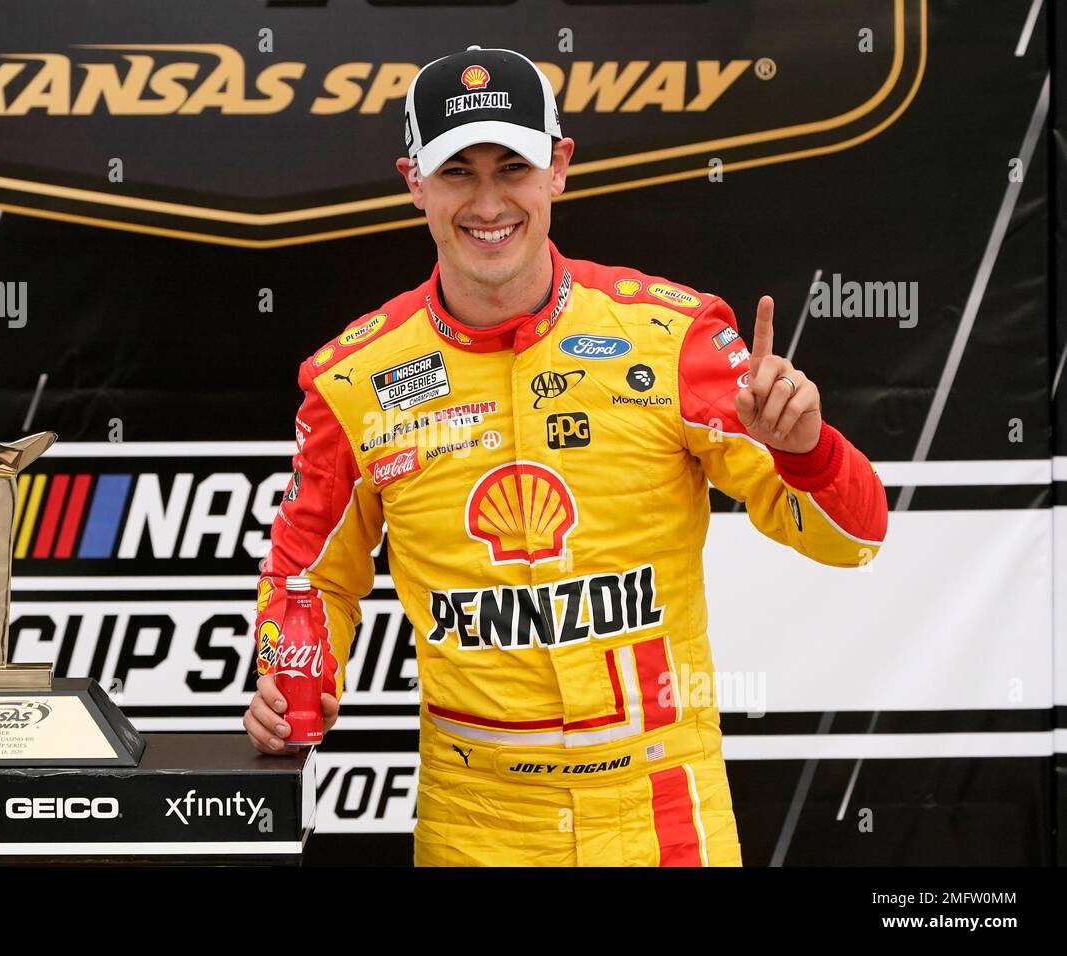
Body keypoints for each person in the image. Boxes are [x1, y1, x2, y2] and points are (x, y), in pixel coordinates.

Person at [244, 45, 888, 866]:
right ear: (415, 183)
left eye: (512, 166)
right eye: (457, 172)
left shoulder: (674, 335)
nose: (488, 202)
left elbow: (856, 541)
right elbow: (307, 575)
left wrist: (809, 451)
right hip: (472, 821)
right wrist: (284, 674)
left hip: (665, 814)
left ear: (559, 167)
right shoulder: (351, 380)